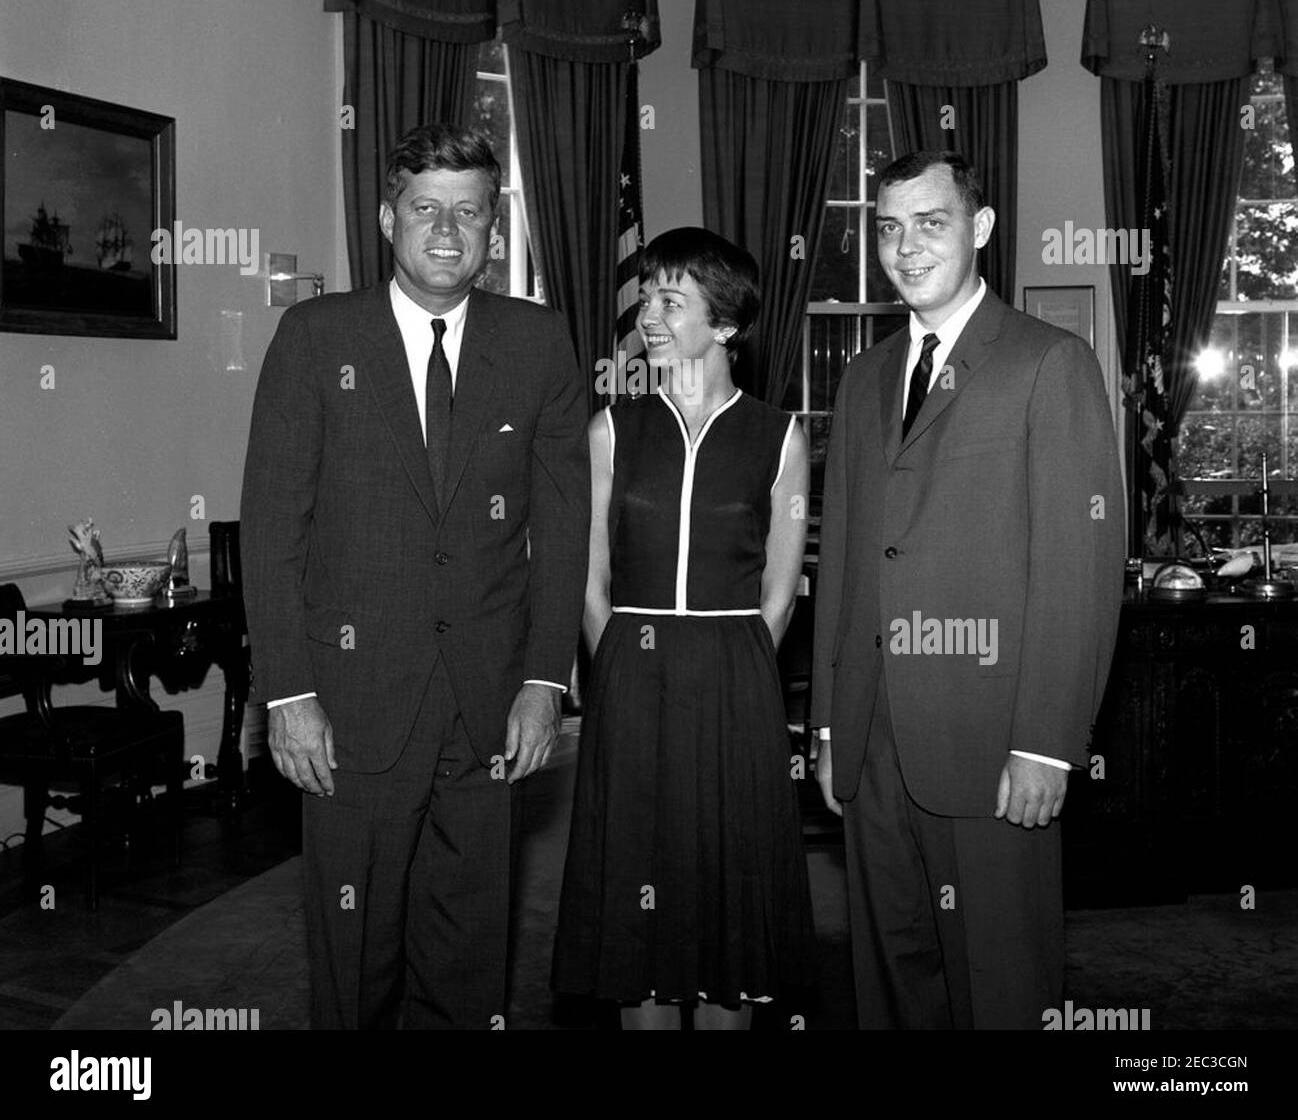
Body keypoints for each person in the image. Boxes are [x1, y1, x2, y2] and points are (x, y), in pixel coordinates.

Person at [240, 123, 588, 1029]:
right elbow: (274, 530)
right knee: (353, 966)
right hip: (348, 706)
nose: (446, 229)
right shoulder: (315, 338)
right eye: (426, 208)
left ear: (493, 230)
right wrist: (288, 696)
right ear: (389, 216)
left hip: (491, 709)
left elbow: (561, 529)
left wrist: (546, 682)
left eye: (468, 211)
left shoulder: (539, 343)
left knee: (470, 960)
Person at [812, 150, 1125, 1030]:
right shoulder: (865, 376)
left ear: (980, 228)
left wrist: (1047, 744)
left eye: (930, 222)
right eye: (888, 228)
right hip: (872, 748)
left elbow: (1079, 570)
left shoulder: (1047, 363)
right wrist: (831, 724)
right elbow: (843, 563)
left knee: (1003, 990)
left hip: (993, 750)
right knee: (890, 987)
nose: (906, 247)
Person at [553, 227, 816, 1030]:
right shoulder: (611, 430)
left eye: (673, 300)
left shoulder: (780, 436)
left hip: (736, 687)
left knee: (723, 904)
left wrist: (726, 669)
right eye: (648, 299)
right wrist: (624, 669)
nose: (650, 318)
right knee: (638, 908)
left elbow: (780, 593)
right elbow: (587, 579)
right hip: (631, 683)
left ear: (727, 324)